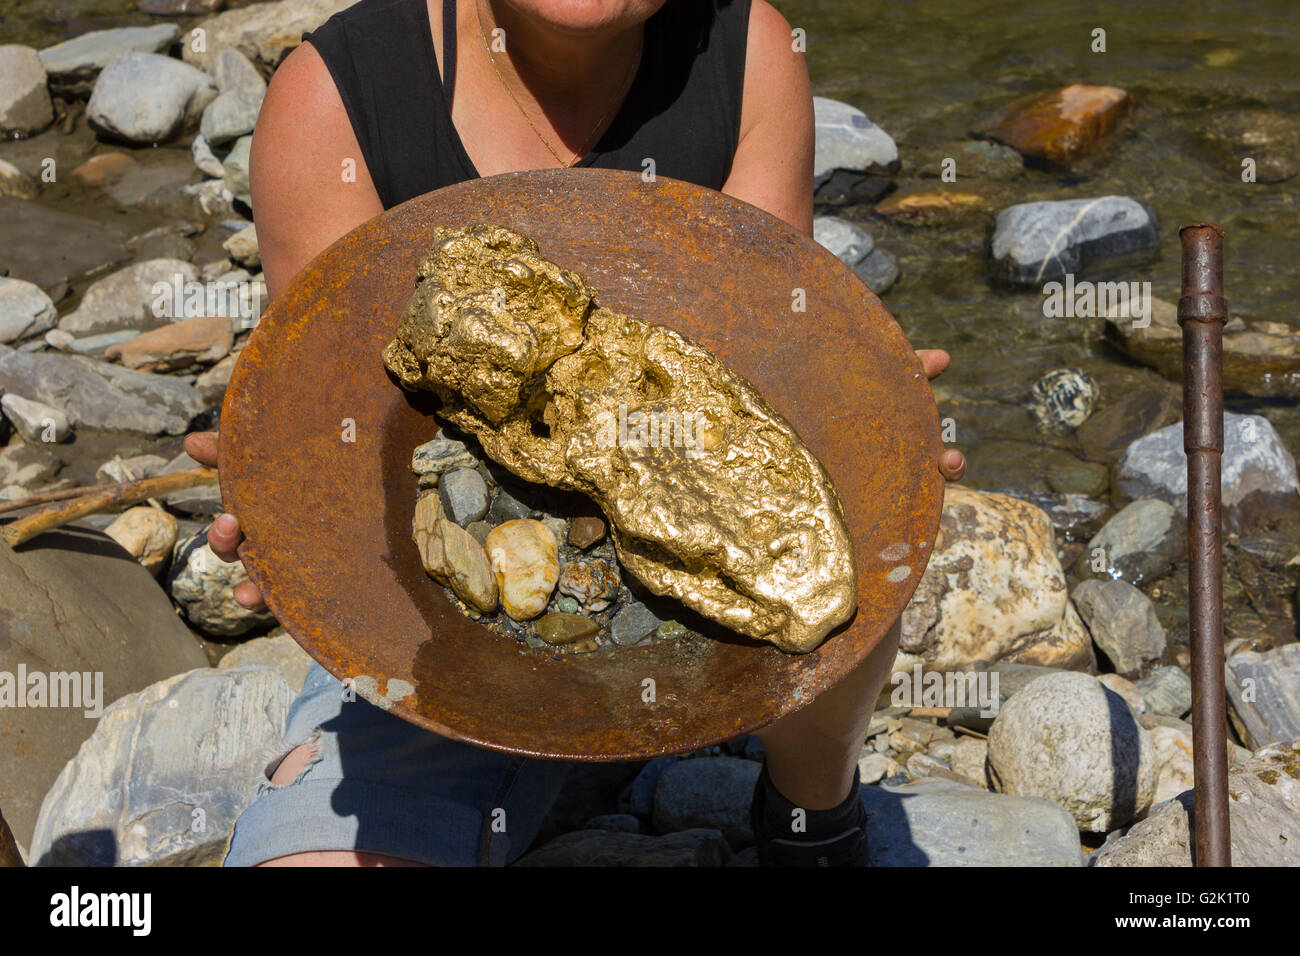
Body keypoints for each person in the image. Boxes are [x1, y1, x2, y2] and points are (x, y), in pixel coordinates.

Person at [186, 0, 967, 867]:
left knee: (857, 536)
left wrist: (873, 422)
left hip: (697, 631)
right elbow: (335, 417)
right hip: (441, 640)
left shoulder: (744, 50)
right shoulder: (340, 94)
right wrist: (293, 522)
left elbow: (764, 352)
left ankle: (808, 810)